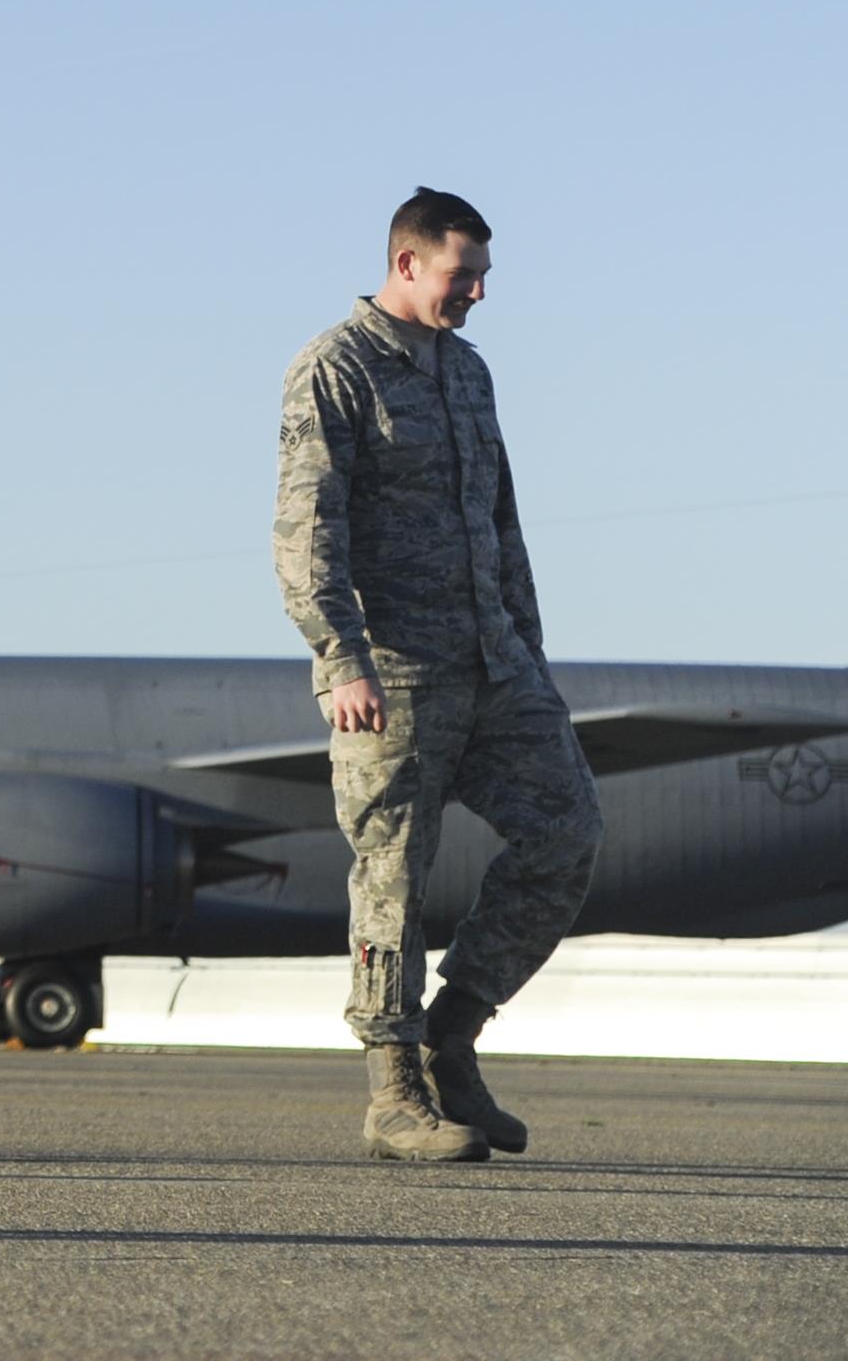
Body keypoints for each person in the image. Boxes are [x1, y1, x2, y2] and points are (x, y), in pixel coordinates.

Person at [278, 187, 601, 1163]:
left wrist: (528, 653)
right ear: (406, 262)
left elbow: (499, 522)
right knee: (393, 874)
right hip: (394, 669)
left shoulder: (465, 371)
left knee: (566, 830)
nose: (475, 293)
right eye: (462, 275)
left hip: (493, 661)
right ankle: (392, 1091)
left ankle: (452, 1033)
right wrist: (338, 657)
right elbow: (306, 527)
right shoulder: (332, 368)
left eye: (482, 277)